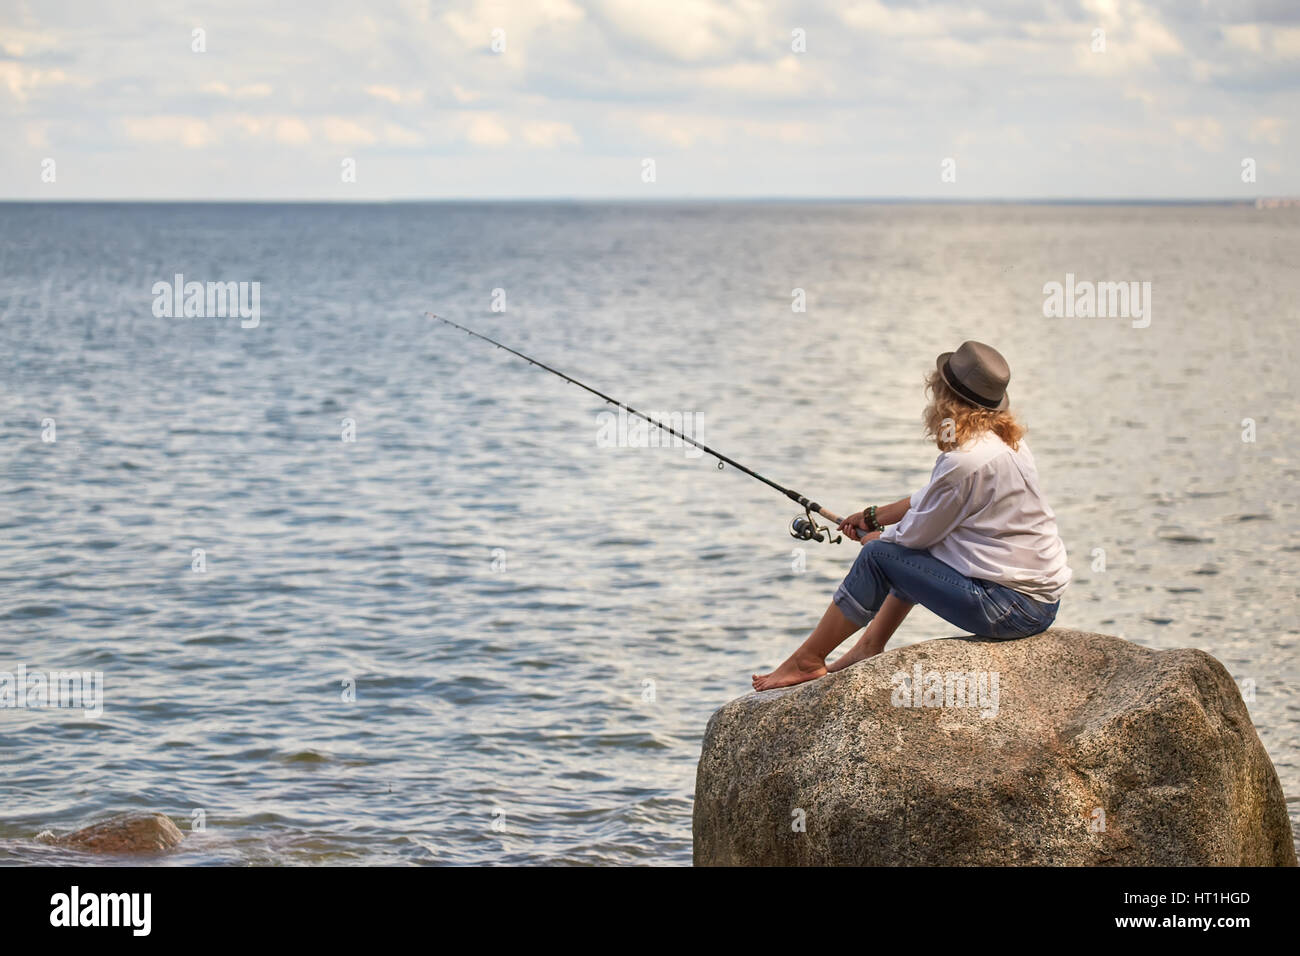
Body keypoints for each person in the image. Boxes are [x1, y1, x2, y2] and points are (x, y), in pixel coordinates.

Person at [752, 340, 1071, 691]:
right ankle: (868, 646)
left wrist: (877, 539)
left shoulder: (963, 463)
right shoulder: (1004, 441)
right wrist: (875, 516)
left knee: (881, 557)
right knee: (905, 555)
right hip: (1038, 602)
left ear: (945, 397)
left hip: (1009, 608)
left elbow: (916, 537)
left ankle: (807, 661)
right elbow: (931, 499)